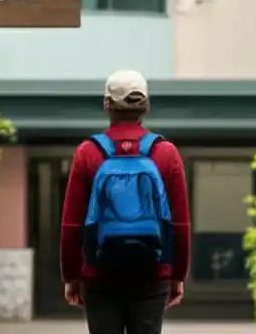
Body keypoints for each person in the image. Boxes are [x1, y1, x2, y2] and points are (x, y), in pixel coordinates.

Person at [59, 69, 191, 334]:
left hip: (99, 273)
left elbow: (72, 224)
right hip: (152, 272)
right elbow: (179, 223)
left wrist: (72, 276)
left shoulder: (88, 152)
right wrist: (177, 275)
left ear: (107, 105)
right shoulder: (165, 153)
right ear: (145, 105)